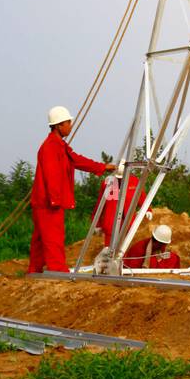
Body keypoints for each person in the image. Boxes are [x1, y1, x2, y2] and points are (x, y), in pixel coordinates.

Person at [29, 107, 112, 274]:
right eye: (68, 123)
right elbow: (51, 175)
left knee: (40, 239)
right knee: (54, 238)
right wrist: (55, 200)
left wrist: (102, 167)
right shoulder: (51, 147)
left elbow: (77, 160)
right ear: (59, 125)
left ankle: (34, 270)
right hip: (48, 202)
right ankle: (58, 270)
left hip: (44, 201)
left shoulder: (59, 146)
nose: (71, 126)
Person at [95, 171, 148, 248]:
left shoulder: (134, 182)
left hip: (128, 223)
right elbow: (100, 205)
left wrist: (147, 209)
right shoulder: (107, 183)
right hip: (111, 223)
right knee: (109, 249)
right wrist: (97, 224)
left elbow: (141, 197)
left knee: (126, 248)